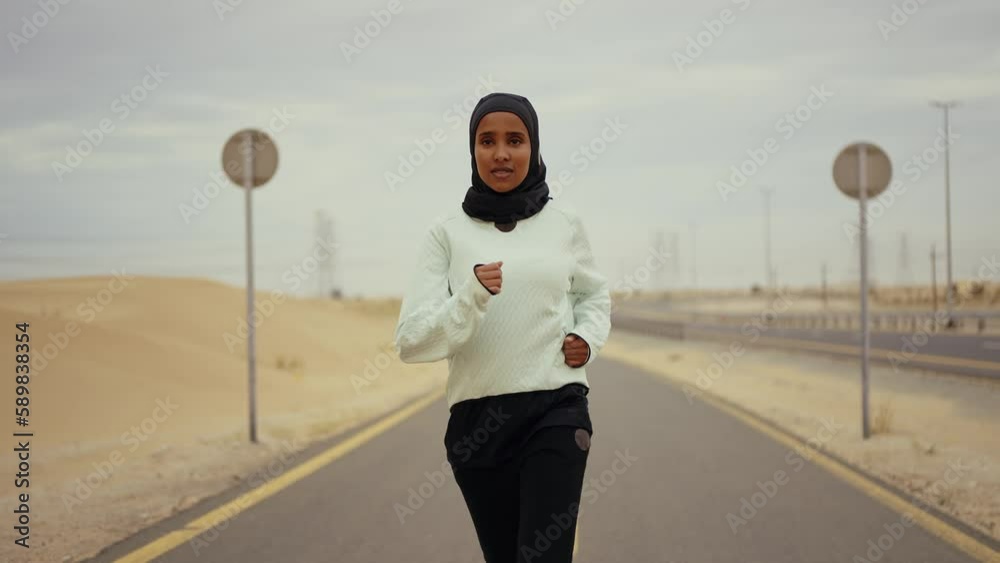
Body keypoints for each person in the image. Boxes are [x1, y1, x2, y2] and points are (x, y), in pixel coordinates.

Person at [393, 91, 612, 563]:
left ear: (533, 147)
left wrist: (586, 339)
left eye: (515, 140)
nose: (501, 153)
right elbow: (411, 341)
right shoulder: (447, 232)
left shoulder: (564, 223)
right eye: (486, 141)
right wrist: (469, 297)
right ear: (472, 151)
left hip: (557, 411)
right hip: (477, 424)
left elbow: (594, 295)